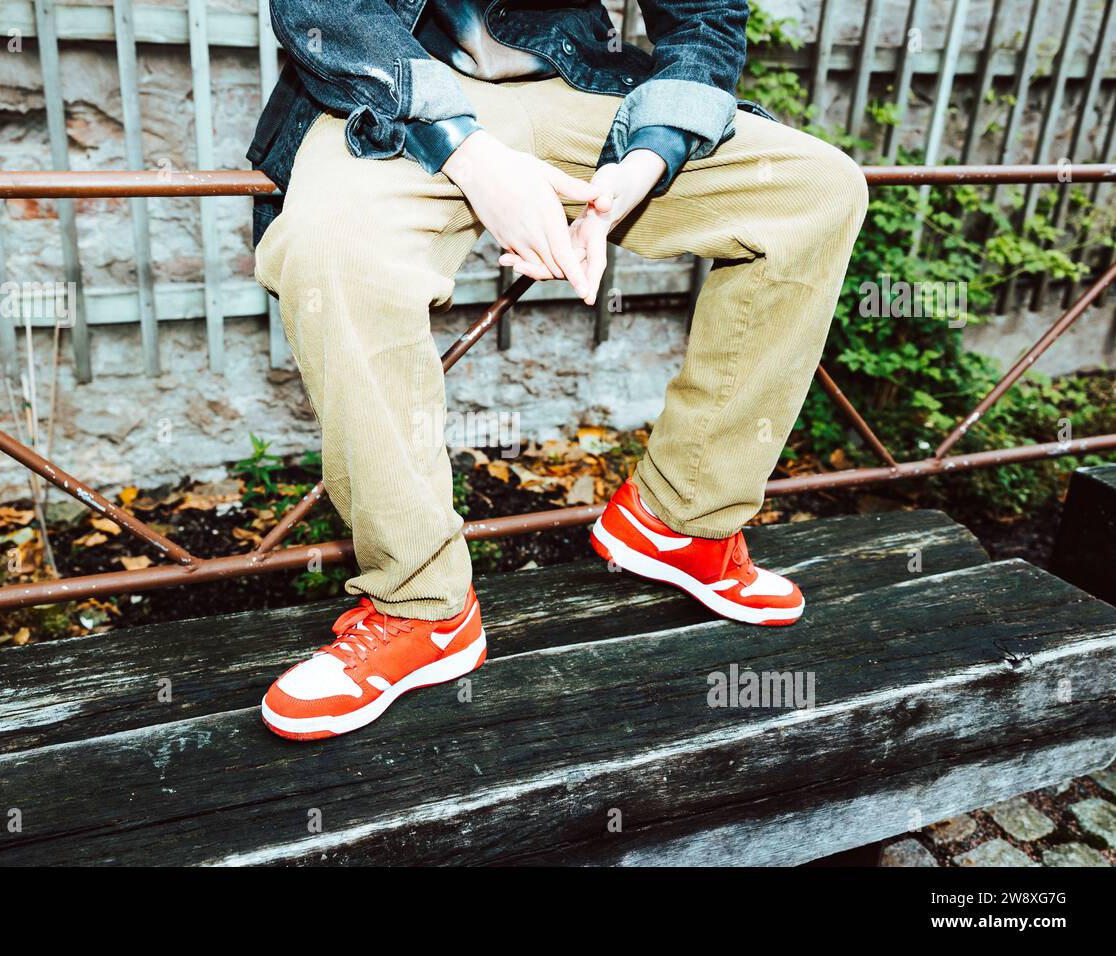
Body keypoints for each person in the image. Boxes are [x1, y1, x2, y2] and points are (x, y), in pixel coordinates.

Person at [247, 0, 868, 740]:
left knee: (816, 190)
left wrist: (646, 162)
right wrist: (472, 159)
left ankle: (683, 522)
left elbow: (704, 14)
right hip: (395, 81)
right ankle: (421, 605)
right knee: (333, 248)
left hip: (577, 86)